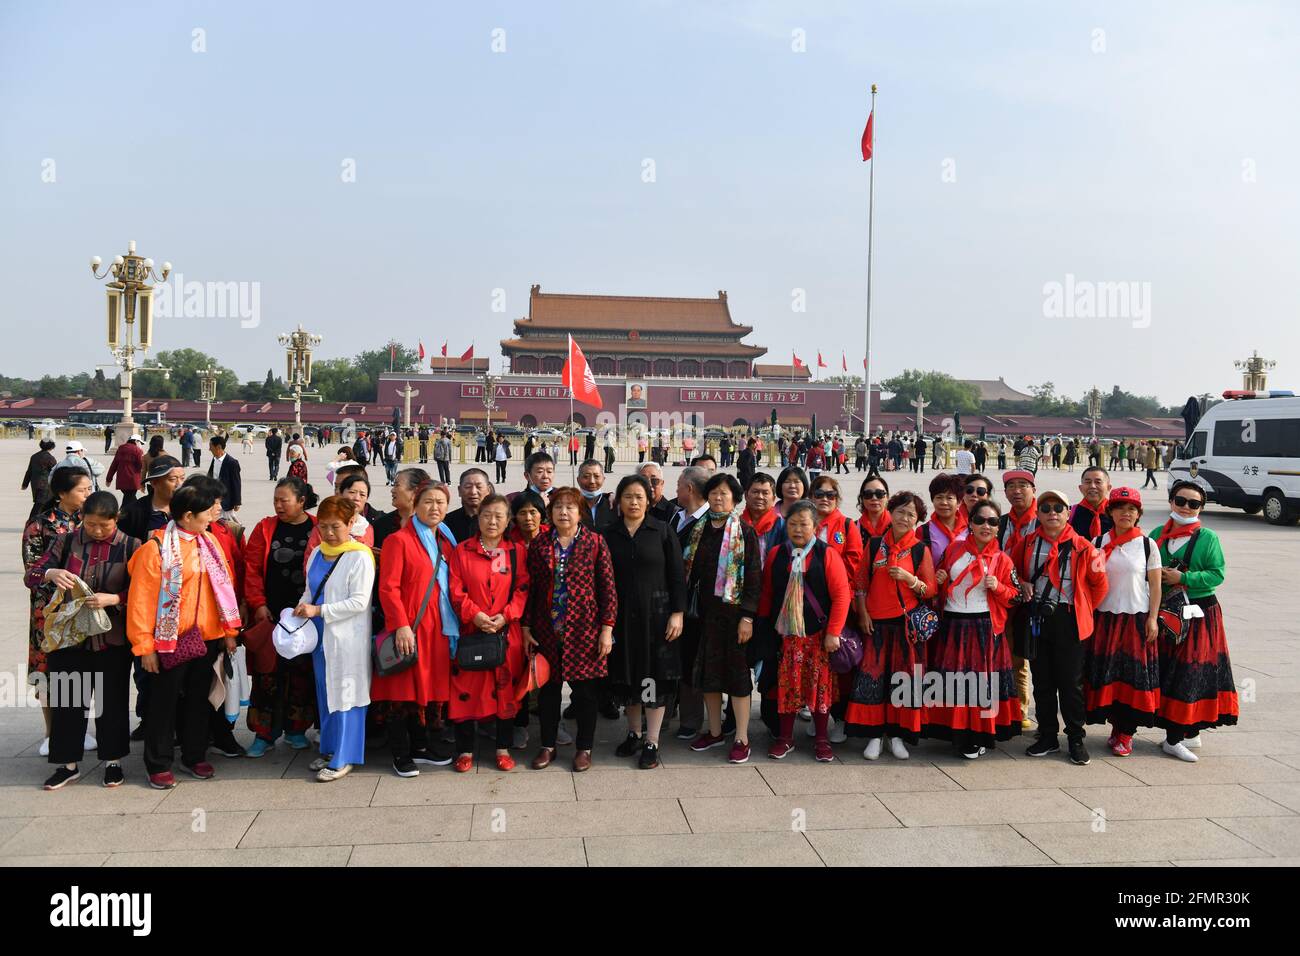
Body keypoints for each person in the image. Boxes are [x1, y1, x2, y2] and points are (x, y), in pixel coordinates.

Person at [126, 483, 243, 789]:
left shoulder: (209, 543)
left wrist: (229, 631)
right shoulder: (155, 549)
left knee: (198, 701)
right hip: (169, 640)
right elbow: (140, 601)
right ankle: (158, 762)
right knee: (162, 704)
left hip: (206, 638)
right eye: (207, 511)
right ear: (188, 515)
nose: (212, 516)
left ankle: (194, 754)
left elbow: (224, 588)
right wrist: (144, 646)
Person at [27, 491, 140, 789]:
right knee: (67, 702)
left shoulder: (132, 546)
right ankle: (67, 764)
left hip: (111, 639)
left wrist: (115, 597)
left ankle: (113, 762)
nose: (97, 531)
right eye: (90, 524)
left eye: (104, 525)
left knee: (111, 702)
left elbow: (145, 592)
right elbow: (32, 574)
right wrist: (52, 572)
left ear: (116, 519)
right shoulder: (66, 541)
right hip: (69, 638)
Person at [523, 487, 618, 772]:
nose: (563, 512)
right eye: (558, 507)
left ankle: (584, 748)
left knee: (586, 693)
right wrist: (526, 625)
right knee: (549, 693)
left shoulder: (595, 542)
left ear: (580, 513)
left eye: (570, 507)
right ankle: (548, 745)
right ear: (550, 513)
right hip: (546, 629)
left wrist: (606, 629)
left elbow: (608, 588)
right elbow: (531, 590)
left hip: (584, 630)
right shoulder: (539, 544)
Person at [1013, 488, 1109, 766]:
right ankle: (1047, 735)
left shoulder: (1084, 546)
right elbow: (1013, 571)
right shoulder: (1028, 543)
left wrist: (1082, 607)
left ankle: (1076, 737)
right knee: (1042, 682)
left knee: (1070, 683)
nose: (1052, 513)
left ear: (1068, 513)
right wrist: (1022, 582)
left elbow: (1100, 584)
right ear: (1038, 514)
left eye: (1058, 508)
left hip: (1069, 618)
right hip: (1038, 619)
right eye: (1045, 508)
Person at [373, 480, 458, 776]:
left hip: (438, 630)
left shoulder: (446, 538)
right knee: (403, 690)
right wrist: (401, 626)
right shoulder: (399, 540)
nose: (435, 508)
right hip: (411, 627)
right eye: (428, 502)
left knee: (428, 689)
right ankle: (400, 753)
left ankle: (421, 747)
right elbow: (388, 588)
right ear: (416, 505)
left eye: (440, 502)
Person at [757, 499, 852, 762]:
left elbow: (842, 596)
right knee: (786, 688)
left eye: (804, 524)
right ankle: (785, 738)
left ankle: (821, 738)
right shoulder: (777, 554)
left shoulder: (827, 554)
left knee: (819, 689)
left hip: (818, 638)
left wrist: (833, 632)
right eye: (793, 524)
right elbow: (767, 594)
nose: (798, 529)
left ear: (815, 526)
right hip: (786, 637)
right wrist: (763, 627)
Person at [927, 498, 1023, 758]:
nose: (986, 526)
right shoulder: (955, 550)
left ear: (997, 527)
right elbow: (941, 580)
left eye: (992, 522)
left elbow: (1016, 596)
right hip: (954, 624)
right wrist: (940, 579)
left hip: (983, 626)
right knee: (954, 680)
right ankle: (956, 729)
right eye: (980, 520)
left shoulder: (1002, 559)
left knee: (981, 683)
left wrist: (998, 587)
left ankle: (979, 733)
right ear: (970, 523)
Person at [603, 475, 686, 769]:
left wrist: (678, 613)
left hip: (657, 617)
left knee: (651, 676)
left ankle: (652, 740)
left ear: (648, 499)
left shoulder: (662, 531)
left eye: (639, 496)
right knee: (629, 676)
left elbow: (677, 575)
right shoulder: (609, 534)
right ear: (619, 501)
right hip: (622, 618)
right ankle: (633, 732)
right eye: (628, 496)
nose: (634, 502)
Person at [1150, 481, 1237, 761]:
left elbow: (1217, 574)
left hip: (1199, 612)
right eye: (1180, 500)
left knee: (1192, 670)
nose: (1186, 507)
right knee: (1168, 669)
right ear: (1171, 501)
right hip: (1166, 611)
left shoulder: (1208, 537)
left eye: (1194, 503)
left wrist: (1183, 578)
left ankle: (1180, 734)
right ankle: (1181, 729)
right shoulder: (1155, 535)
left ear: (1201, 507)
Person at [848, 490, 936, 759]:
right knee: (874, 680)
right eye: (900, 512)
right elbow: (860, 583)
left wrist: (910, 579)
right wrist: (862, 614)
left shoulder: (921, 550)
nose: (905, 518)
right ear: (891, 512)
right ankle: (874, 734)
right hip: (876, 625)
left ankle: (897, 734)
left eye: (911, 514)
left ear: (917, 520)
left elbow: (930, 590)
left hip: (905, 627)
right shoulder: (875, 545)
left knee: (902, 681)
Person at [447, 494, 530, 772]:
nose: (492, 521)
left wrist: (505, 616)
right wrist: (476, 615)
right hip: (472, 631)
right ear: (478, 518)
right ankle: (465, 750)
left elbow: (522, 589)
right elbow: (455, 591)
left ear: (508, 521)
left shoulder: (516, 552)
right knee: (465, 691)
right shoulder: (462, 551)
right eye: (486, 515)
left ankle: (502, 748)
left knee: (505, 691)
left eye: (499, 516)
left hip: (506, 633)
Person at [683, 473, 761, 763]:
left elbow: (754, 579)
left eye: (724, 494)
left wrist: (748, 618)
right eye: (713, 492)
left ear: (735, 499)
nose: (717, 497)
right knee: (709, 676)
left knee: (738, 678)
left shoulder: (745, 533)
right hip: (705, 617)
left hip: (735, 617)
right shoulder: (698, 529)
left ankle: (741, 736)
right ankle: (714, 731)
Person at [1083, 487, 1162, 757]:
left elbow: (1156, 584)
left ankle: (1126, 733)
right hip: (1105, 619)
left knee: (1132, 677)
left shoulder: (1147, 544)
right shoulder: (1096, 543)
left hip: (1136, 619)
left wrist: (1153, 618)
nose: (1125, 513)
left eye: (1131, 509)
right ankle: (1114, 726)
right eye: (1120, 508)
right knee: (1109, 676)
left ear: (1138, 514)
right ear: (1111, 512)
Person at [243, 476, 319, 757]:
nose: (278, 505)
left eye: (284, 500)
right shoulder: (265, 528)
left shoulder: (317, 527)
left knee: (301, 673)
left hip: (304, 616)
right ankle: (264, 734)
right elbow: (252, 569)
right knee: (267, 676)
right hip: (271, 614)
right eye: (276, 500)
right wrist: (258, 603)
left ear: (301, 501)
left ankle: (296, 729)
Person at [22, 468, 93, 756]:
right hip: (48, 613)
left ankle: (79, 729)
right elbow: (30, 575)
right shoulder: (39, 526)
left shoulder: (90, 521)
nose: (88, 494)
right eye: (82, 490)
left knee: (80, 671)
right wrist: (49, 572)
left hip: (80, 609)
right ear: (62, 493)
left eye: (89, 489)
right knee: (48, 673)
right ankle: (52, 733)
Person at [809, 474, 864, 584]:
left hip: (837, 586)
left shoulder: (847, 525)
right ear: (811, 497)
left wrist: (833, 578)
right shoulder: (803, 523)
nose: (824, 499)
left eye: (830, 495)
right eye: (819, 494)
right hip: (807, 588)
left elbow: (854, 560)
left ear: (836, 499)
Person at [921, 473, 968, 567]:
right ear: (932, 500)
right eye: (939, 497)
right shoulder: (923, 531)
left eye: (949, 498)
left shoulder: (971, 529)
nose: (944, 502)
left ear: (959, 502)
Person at [741, 472, 787, 564]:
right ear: (746, 496)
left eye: (765, 493)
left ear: (773, 499)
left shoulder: (782, 527)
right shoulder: (736, 525)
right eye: (755, 492)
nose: (760, 497)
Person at [443, 468, 494, 543]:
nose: (473, 492)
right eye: (468, 487)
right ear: (459, 490)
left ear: (488, 490)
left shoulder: (497, 521)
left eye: (479, 487)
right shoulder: (446, 523)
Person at [1070, 466, 1114, 539]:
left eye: (1098, 482)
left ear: (1108, 487)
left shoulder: (1116, 512)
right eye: (1088, 482)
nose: (1092, 486)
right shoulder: (1070, 513)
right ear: (1081, 488)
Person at [670, 466, 711, 543]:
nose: (677, 490)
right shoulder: (677, 514)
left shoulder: (711, 521)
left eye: (679, 485)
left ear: (689, 488)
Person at [21, 439, 58, 518]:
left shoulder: (34, 456)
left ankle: (41, 522)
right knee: (40, 505)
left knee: (41, 504)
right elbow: (55, 472)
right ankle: (31, 522)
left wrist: (25, 484)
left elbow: (29, 471)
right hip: (45, 486)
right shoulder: (50, 458)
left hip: (35, 484)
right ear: (52, 447)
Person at [207, 435, 242, 518]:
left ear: (218, 447)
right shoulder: (214, 459)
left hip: (226, 500)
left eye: (211, 447)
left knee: (228, 523)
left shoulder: (232, 462)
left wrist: (237, 502)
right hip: (214, 498)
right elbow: (210, 476)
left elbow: (236, 483)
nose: (209, 449)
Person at [104, 433, 144, 505]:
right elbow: (141, 466)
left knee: (130, 499)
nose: (140, 444)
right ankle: (123, 514)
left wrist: (108, 479)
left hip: (121, 480)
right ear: (135, 441)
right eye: (140, 442)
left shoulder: (120, 448)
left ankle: (135, 513)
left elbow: (114, 464)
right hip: (133, 481)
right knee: (128, 501)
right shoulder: (138, 451)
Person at [576, 459, 616, 529]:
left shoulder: (612, 504)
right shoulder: (572, 504)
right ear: (578, 480)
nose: (592, 481)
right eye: (586, 477)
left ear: (603, 479)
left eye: (596, 476)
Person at [856, 472, 891, 542]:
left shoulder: (897, 526)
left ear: (887, 497)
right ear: (862, 498)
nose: (874, 498)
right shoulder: (853, 527)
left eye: (879, 494)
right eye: (868, 494)